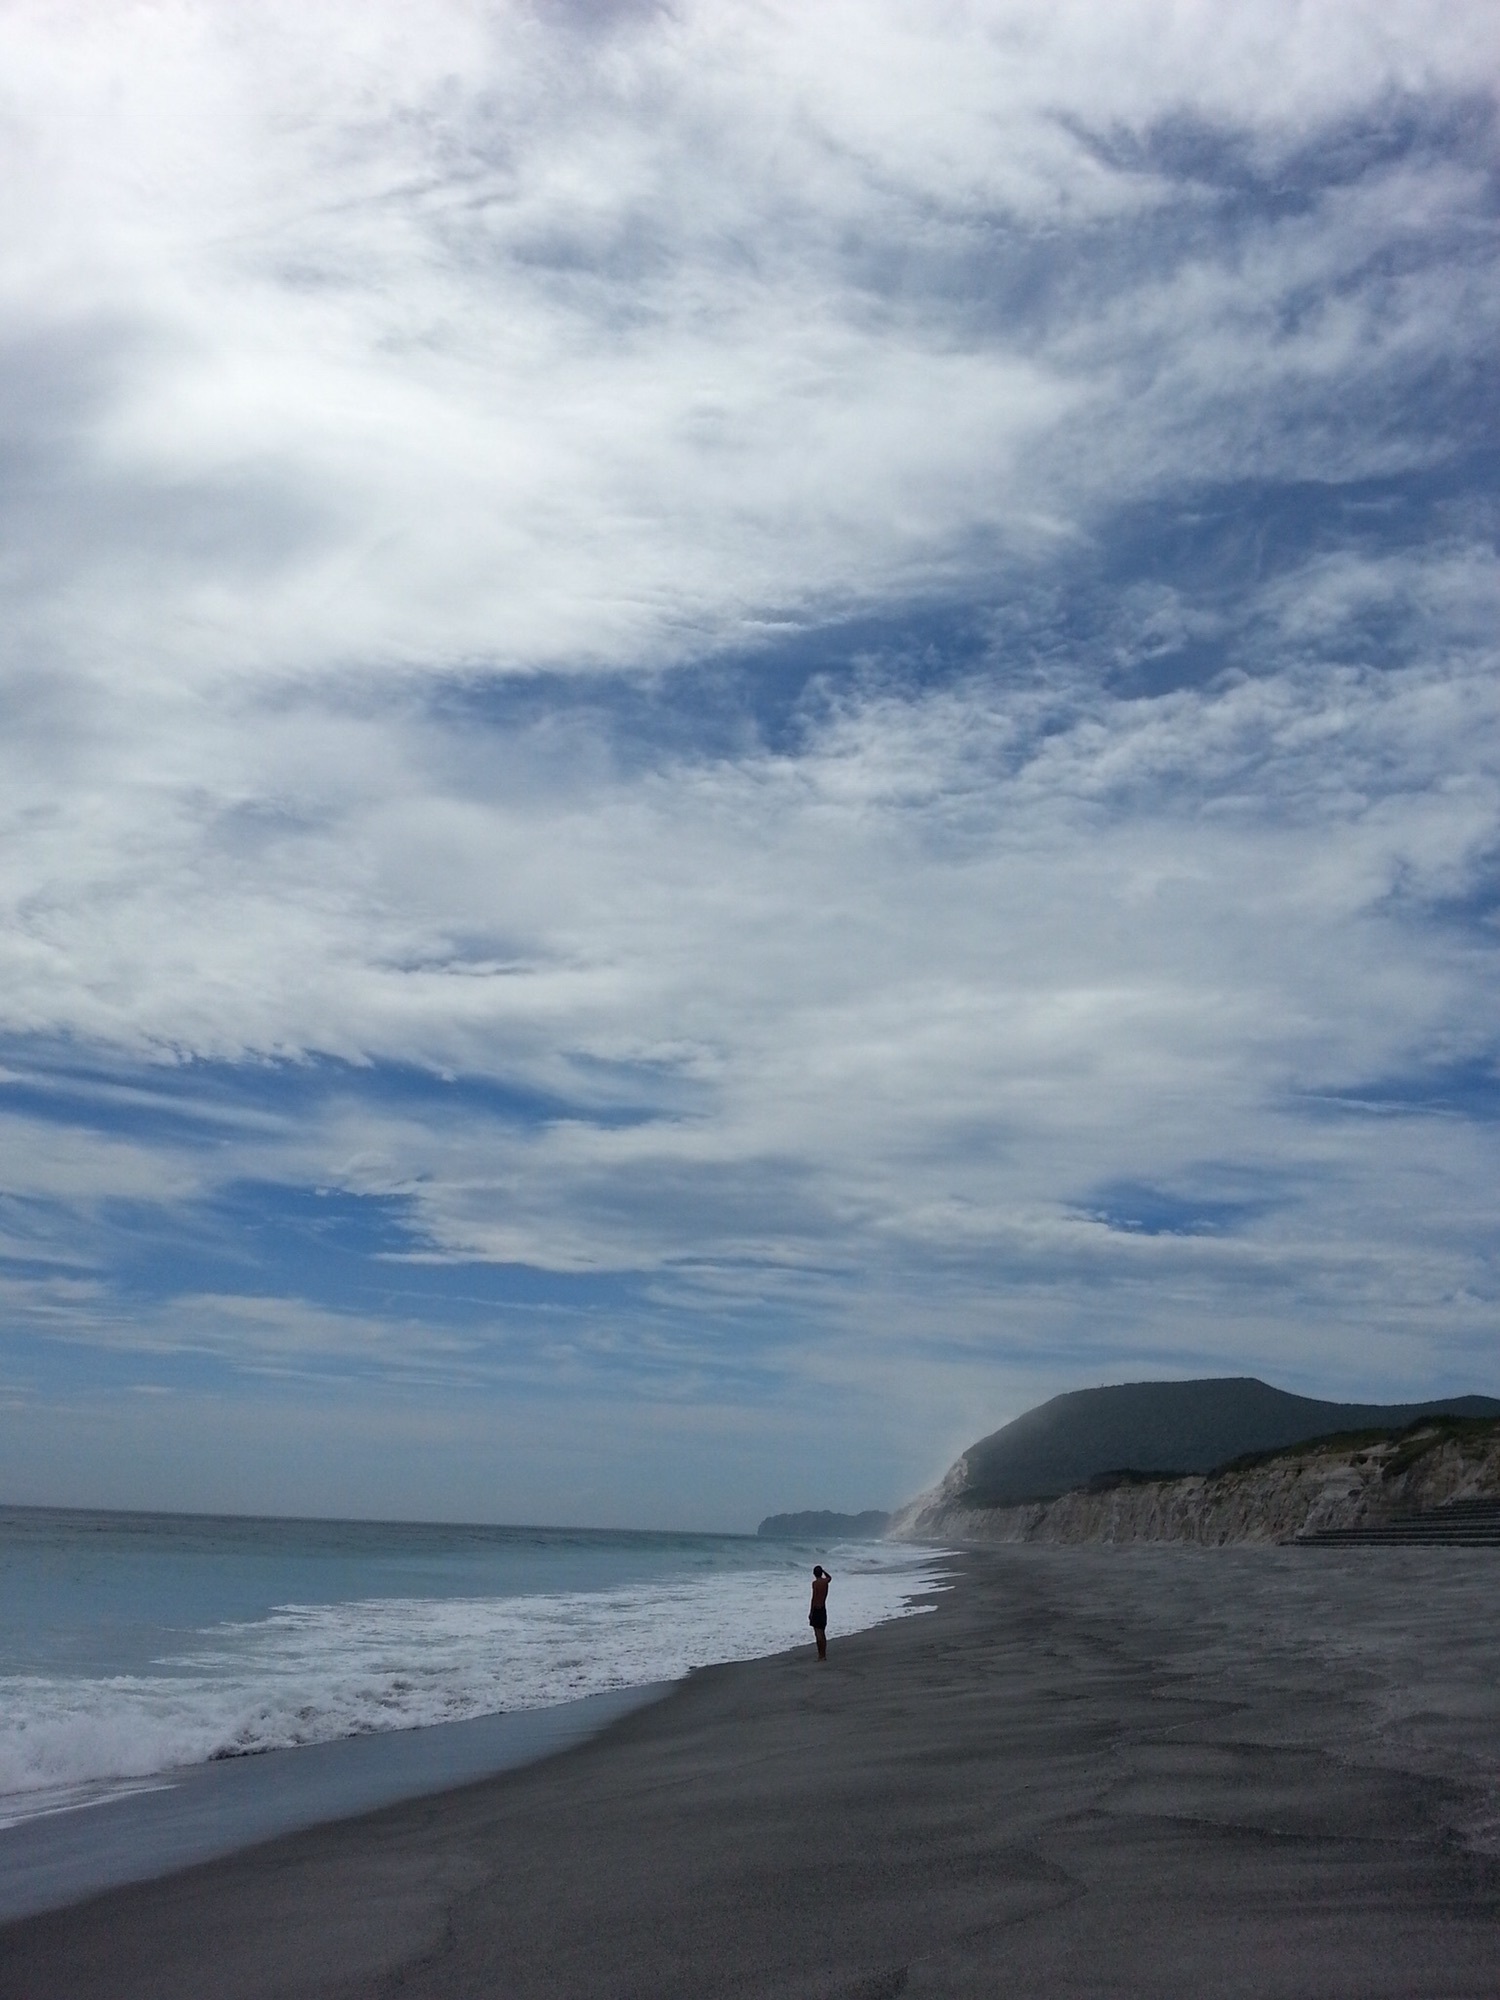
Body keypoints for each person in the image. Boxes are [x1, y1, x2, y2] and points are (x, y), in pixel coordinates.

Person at [808, 1564, 831, 1660]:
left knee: (818, 1633)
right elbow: (829, 1577)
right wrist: (824, 1571)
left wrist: (811, 1612)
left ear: (814, 1574)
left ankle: (820, 1655)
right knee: (823, 1632)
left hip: (817, 1609)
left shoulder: (815, 1583)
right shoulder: (825, 1582)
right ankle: (824, 1655)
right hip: (823, 1608)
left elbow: (814, 1598)